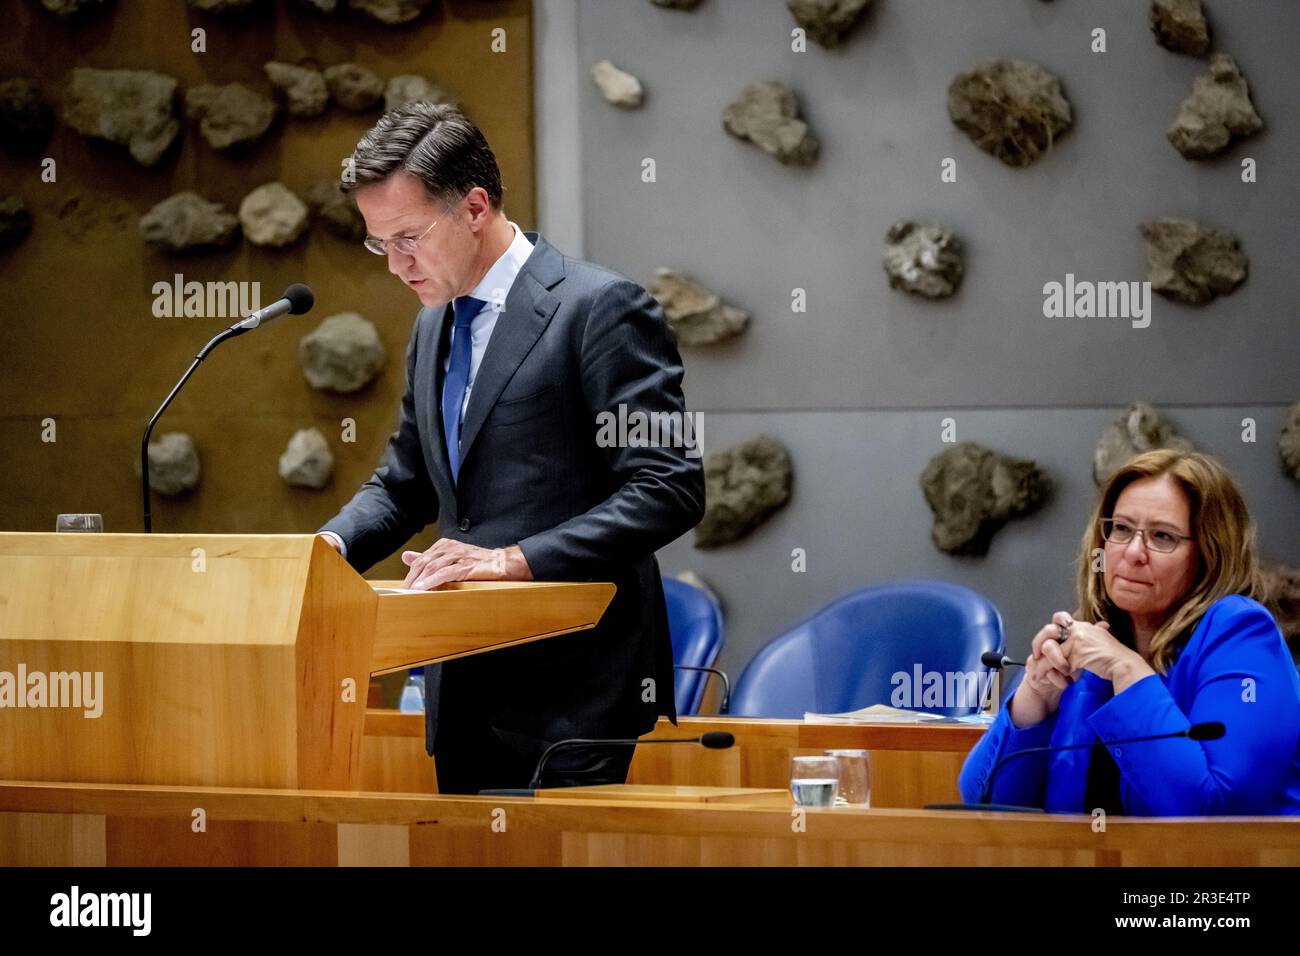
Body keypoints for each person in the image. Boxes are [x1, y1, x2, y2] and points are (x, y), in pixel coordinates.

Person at [317, 102, 706, 794]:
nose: (395, 266)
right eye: (381, 244)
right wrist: (324, 552)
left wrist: (513, 560)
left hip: (576, 694)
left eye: (408, 236)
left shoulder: (602, 308)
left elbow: (668, 487)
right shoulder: (434, 327)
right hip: (461, 682)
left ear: (473, 206)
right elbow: (407, 484)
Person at [959, 449, 1300, 815]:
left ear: (1210, 554)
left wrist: (1127, 670)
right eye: (1121, 529)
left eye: (1162, 536)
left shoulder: (1240, 633)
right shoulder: (1089, 636)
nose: (1134, 552)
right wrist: (1035, 699)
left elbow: (1211, 811)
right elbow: (983, 802)